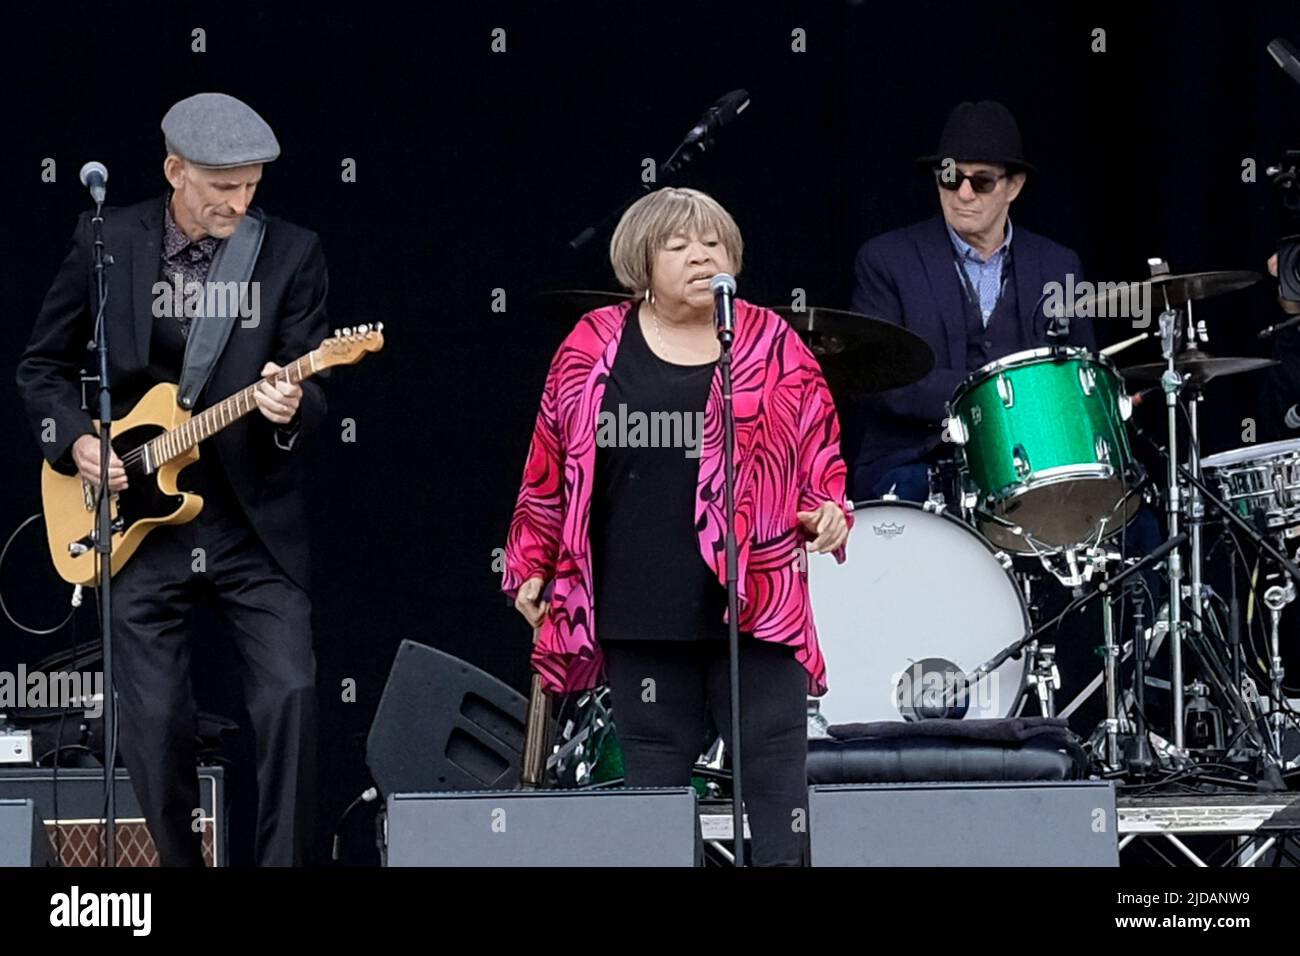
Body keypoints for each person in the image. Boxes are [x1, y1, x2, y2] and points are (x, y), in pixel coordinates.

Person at [16, 93, 327, 866]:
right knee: (153, 724)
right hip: (136, 527)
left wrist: (292, 402)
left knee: (291, 694)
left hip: (247, 520)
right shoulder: (107, 236)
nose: (238, 201)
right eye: (222, 185)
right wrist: (78, 443)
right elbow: (42, 367)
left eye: (251, 185)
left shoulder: (291, 253)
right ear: (173, 169)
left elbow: (311, 384)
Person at [503, 187, 852, 865]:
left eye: (713, 244)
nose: (700, 256)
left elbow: (820, 449)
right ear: (642, 262)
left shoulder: (770, 339)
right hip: (640, 606)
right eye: (678, 245)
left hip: (756, 605)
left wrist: (829, 507)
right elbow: (548, 465)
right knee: (658, 813)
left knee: (781, 796)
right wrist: (533, 562)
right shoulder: (592, 343)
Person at [851, 100, 1095, 502]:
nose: (963, 193)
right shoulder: (885, 260)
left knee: (1133, 522)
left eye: (981, 181)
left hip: (1031, 462)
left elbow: (1078, 376)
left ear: (1013, 186)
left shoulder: (1058, 265)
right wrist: (993, 397)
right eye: (950, 177)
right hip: (917, 461)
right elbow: (877, 378)